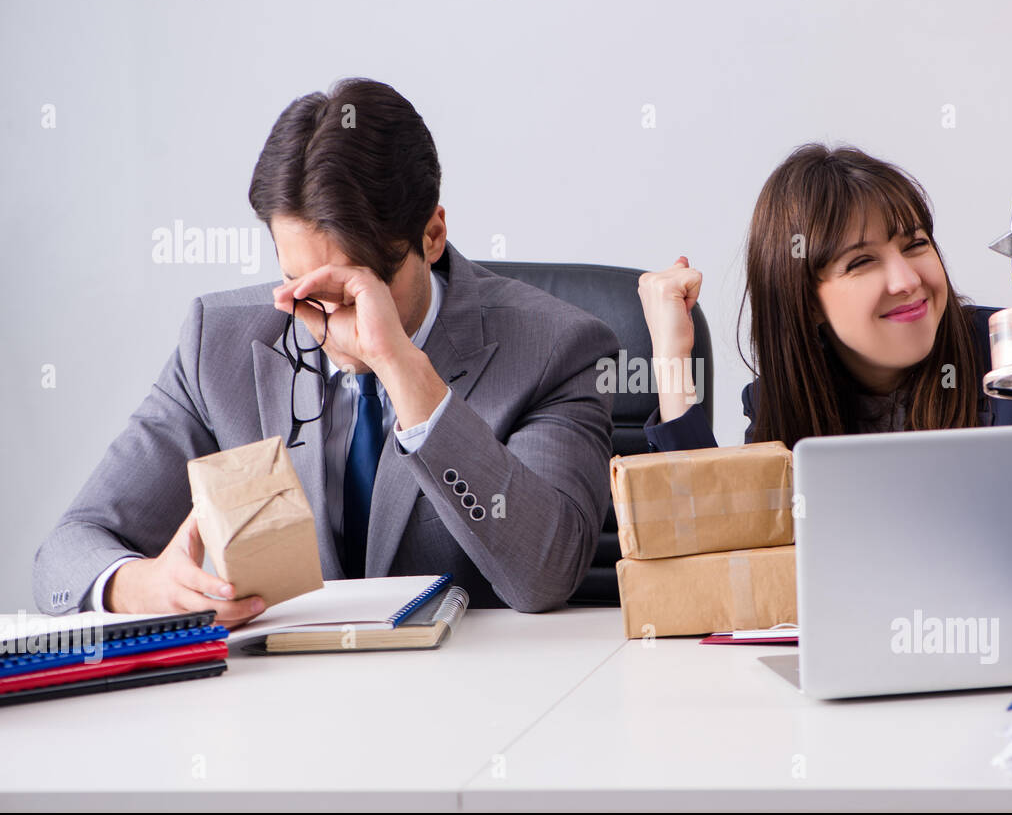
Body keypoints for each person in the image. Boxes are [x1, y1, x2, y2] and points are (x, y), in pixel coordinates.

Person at [32, 78, 619, 622]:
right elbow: (66, 552)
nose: (326, 321)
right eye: (299, 286)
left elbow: (546, 575)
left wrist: (405, 373)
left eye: (352, 289)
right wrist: (141, 585)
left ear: (432, 234)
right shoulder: (221, 342)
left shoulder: (553, 348)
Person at [638, 144, 1012, 451]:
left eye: (916, 244)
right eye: (861, 262)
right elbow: (718, 540)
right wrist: (672, 359)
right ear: (805, 303)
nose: (906, 280)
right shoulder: (780, 400)